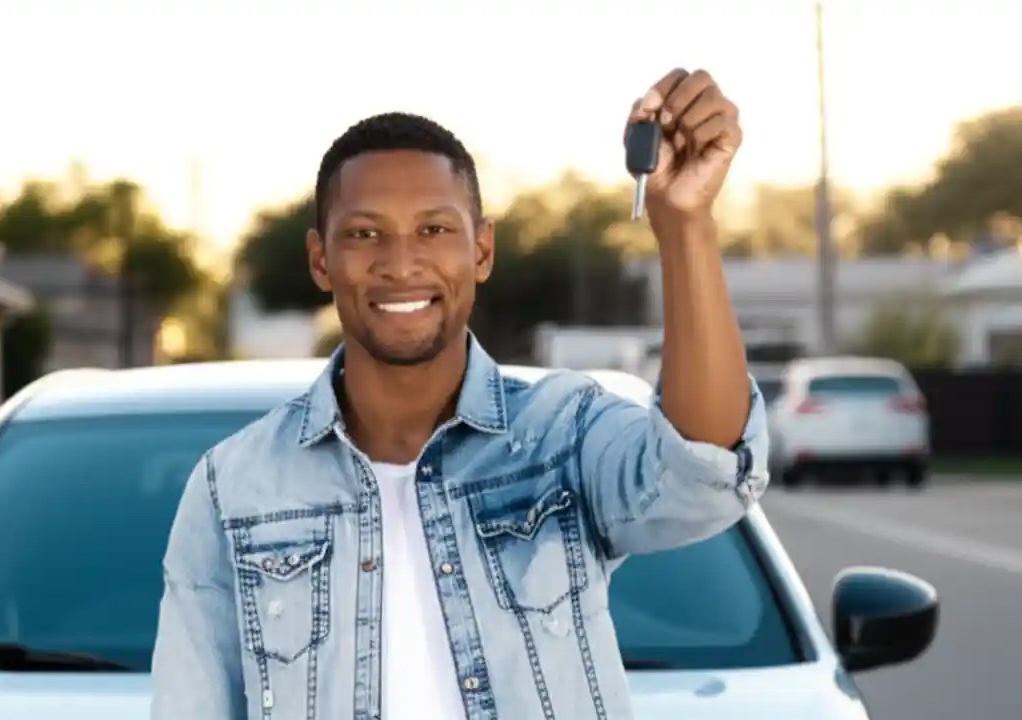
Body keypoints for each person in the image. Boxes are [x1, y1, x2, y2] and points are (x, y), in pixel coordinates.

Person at [152, 67, 770, 720]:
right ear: (320, 259)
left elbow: (703, 474)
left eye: (434, 230)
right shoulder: (235, 486)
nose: (400, 262)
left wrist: (684, 224)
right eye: (364, 233)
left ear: (482, 249)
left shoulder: (563, 436)